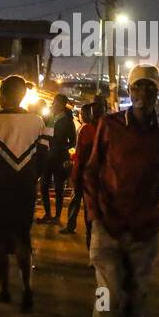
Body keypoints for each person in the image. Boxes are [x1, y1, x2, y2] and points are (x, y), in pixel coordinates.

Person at [82, 64, 159, 317]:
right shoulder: (109, 126)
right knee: (109, 299)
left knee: (135, 301)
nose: (143, 95)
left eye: (150, 89)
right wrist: (95, 217)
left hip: (144, 231)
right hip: (107, 227)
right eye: (138, 88)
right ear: (129, 91)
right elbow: (91, 173)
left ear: (157, 94)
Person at [0, 76, 48, 311]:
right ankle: (27, 289)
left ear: (2, 96)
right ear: (22, 96)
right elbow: (44, 158)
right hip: (24, 187)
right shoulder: (37, 122)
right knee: (23, 236)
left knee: (1, 239)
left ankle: (4, 290)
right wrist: (30, 176)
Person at [62, 100, 100, 241]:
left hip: (83, 173)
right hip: (96, 175)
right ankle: (92, 236)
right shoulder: (105, 128)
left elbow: (80, 153)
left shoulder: (86, 129)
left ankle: (71, 226)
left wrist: (75, 171)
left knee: (76, 200)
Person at [39, 94, 77, 225]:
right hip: (46, 157)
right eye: (54, 102)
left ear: (61, 105)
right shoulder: (46, 117)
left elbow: (73, 141)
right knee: (43, 185)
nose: (53, 105)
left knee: (59, 188)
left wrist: (60, 146)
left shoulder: (68, 121)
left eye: (56, 103)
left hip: (60, 158)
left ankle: (57, 216)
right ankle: (48, 213)